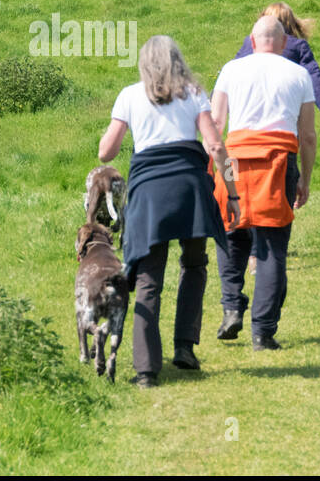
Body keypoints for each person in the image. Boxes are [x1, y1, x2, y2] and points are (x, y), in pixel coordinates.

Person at [99, 35, 241, 387]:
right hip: (190, 188)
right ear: (177, 61)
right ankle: (185, 347)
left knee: (148, 280)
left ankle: (146, 371)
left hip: (149, 194)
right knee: (194, 265)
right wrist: (233, 193)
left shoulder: (129, 95)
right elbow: (215, 145)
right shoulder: (192, 93)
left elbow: (106, 152)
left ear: (144, 63)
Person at [211, 16, 317, 350]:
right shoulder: (299, 74)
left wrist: (212, 167)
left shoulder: (231, 69)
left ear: (253, 42)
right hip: (279, 160)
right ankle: (263, 332)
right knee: (272, 246)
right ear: (285, 44)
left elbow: (215, 122)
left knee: (231, 234)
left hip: (234, 160)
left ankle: (231, 309)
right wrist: (305, 179)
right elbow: (309, 135)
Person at [233, 2, 320, 146]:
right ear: (292, 24)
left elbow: (230, 76)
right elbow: (318, 86)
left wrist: (212, 103)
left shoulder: (251, 43)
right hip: (283, 127)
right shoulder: (298, 47)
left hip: (247, 126)